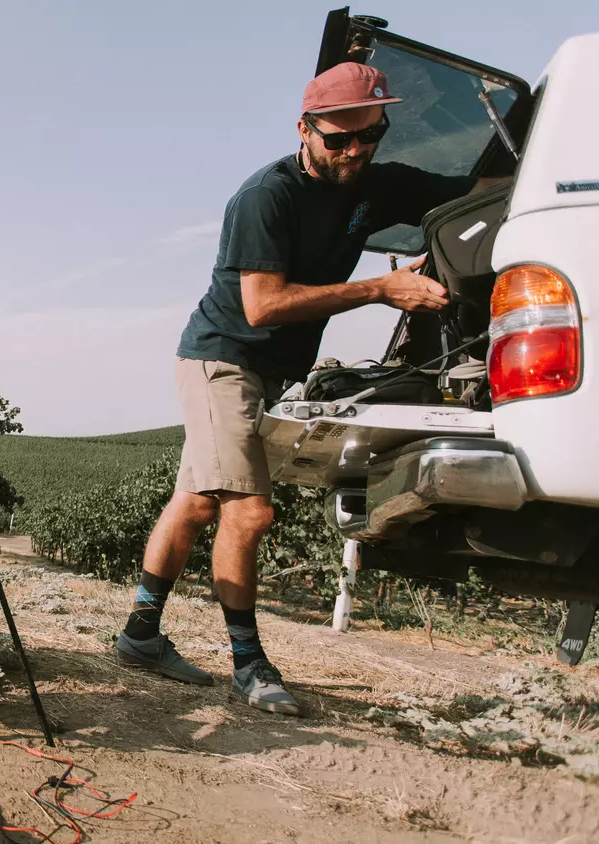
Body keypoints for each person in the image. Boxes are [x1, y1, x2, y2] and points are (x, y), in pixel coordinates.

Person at [115, 62, 497, 715]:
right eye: (337, 140)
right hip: (224, 359)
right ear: (305, 129)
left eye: (368, 138)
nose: (353, 152)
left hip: (274, 370)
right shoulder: (267, 195)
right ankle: (249, 664)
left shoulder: (373, 183)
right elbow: (261, 305)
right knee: (249, 511)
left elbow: (475, 192)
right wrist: (382, 287)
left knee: (198, 502)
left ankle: (139, 634)